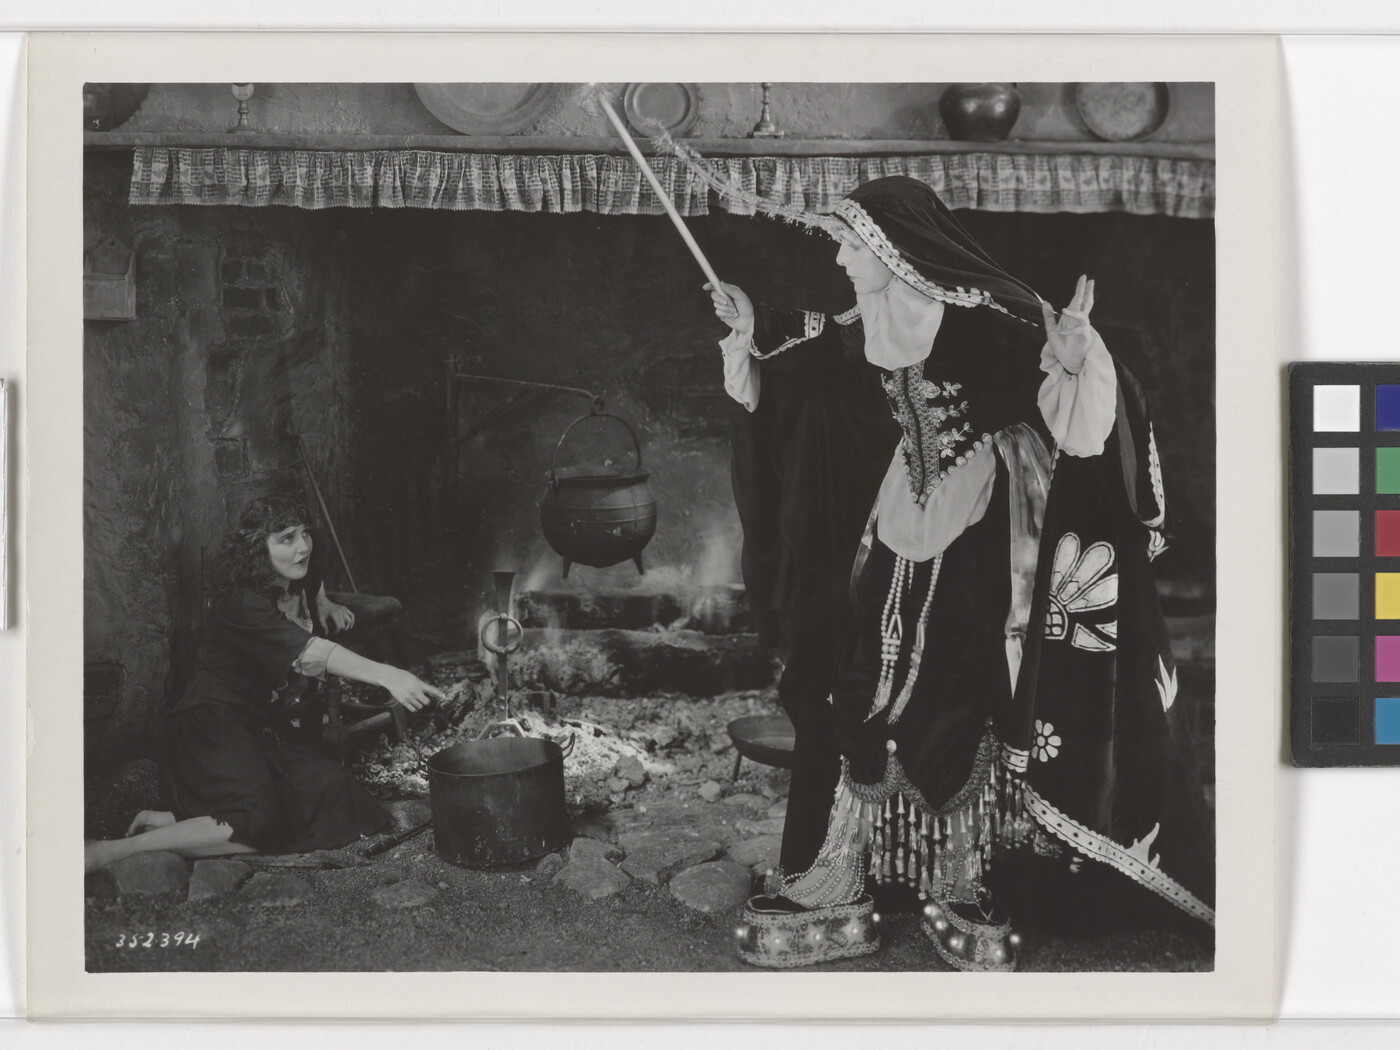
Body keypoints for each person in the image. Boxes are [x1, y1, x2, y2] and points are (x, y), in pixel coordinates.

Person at [709, 176, 1213, 971]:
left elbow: (1080, 421)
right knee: (861, 686)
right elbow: (819, 363)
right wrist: (751, 327)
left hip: (982, 535)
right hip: (900, 522)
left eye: (850, 243)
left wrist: (1076, 360)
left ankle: (962, 878)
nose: (840, 259)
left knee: (959, 697)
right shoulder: (870, 321)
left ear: (890, 249)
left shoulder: (989, 319)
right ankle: (840, 874)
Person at [84, 495, 445, 874]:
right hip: (209, 727)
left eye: (305, 533)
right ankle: (110, 851)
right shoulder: (241, 603)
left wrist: (322, 601)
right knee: (259, 820)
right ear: (259, 549)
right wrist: (388, 674)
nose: (303, 546)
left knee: (333, 789)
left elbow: (314, 575)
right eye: (287, 538)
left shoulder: (295, 574)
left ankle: (173, 822)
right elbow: (309, 652)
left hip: (252, 725)